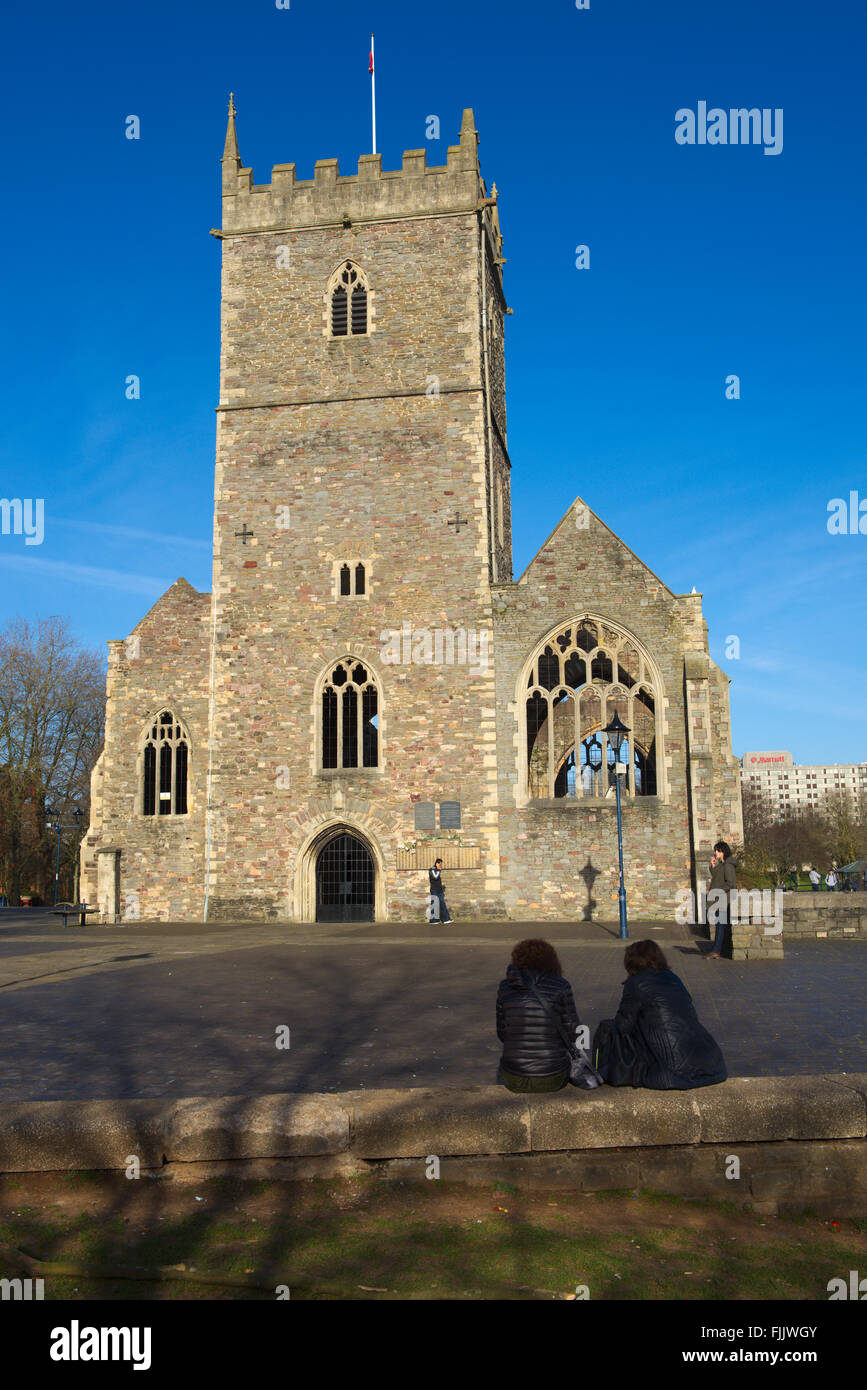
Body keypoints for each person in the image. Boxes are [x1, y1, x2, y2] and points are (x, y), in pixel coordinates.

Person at [612, 939, 726, 1089]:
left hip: (673, 1070)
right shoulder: (673, 978)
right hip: (711, 1063)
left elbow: (622, 1027)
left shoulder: (636, 983)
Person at [496, 938, 581, 1093]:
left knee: (501, 1070)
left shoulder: (505, 987)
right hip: (552, 1075)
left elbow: (502, 1033)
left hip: (514, 1076)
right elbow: (574, 1033)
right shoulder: (561, 985)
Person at [705, 839, 737, 959]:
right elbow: (716, 875)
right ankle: (721, 949)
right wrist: (712, 865)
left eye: (717, 851)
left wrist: (718, 891)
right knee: (722, 925)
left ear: (723, 851)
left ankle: (716, 950)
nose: (715, 853)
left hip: (725, 899)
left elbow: (730, 883)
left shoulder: (728, 865)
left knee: (720, 925)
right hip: (721, 899)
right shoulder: (722, 864)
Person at [428, 858, 453, 923]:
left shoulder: (437, 870)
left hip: (439, 890)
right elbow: (435, 877)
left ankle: (446, 919)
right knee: (434, 904)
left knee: (442, 904)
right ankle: (433, 921)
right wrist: (439, 871)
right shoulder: (432, 869)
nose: (441, 865)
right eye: (440, 864)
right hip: (434, 890)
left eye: (441, 864)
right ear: (437, 863)